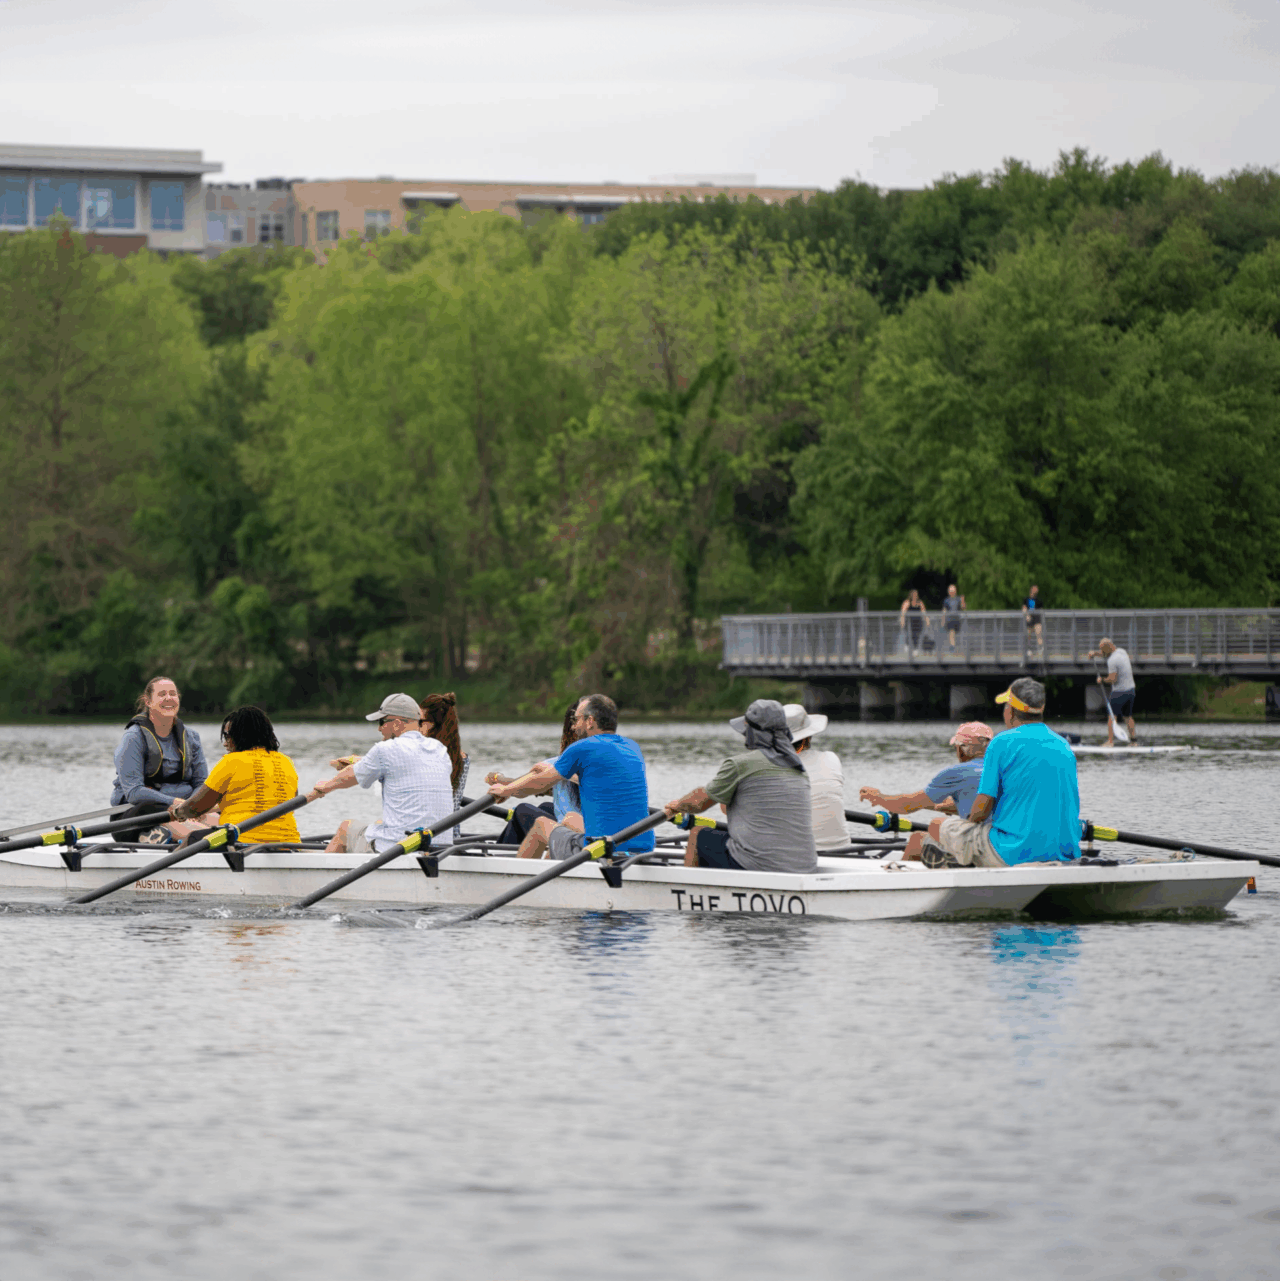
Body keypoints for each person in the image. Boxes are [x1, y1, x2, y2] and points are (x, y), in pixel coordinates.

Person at [916, 678, 1080, 869]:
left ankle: (962, 863)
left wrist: (968, 826)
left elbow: (982, 809)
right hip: (1064, 852)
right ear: (1041, 709)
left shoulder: (1001, 743)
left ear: (1010, 711)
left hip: (1012, 854)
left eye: (1005, 706)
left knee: (937, 826)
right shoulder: (1063, 745)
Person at [488, 694, 651, 860]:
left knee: (541, 826)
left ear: (590, 721)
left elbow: (538, 783)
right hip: (643, 846)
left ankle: (518, 878)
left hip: (602, 848)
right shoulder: (632, 747)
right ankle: (552, 871)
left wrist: (506, 790)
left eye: (577, 719)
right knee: (570, 819)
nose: (573, 726)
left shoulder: (582, 748)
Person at [663, 699, 816, 874]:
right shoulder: (799, 768)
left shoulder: (741, 764)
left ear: (752, 732)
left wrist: (678, 805)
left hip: (762, 865)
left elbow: (698, 803)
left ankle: (688, 890)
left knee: (698, 835)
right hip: (805, 865)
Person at [309, 692, 455, 854]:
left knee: (345, 829)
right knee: (379, 823)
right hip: (439, 848)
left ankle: (320, 875)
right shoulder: (439, 750)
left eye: (382, 721)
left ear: (397, 724)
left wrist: (326, 786)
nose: (379, 728)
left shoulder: (385, 749)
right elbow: (404, 767)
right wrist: (361, 762)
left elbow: (351, 777)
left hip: (400, 849)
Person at [858, 722, 993, 859]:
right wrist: (934, 805)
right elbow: (977, 804)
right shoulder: (1003, 769)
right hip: (1003, 838)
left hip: (982, 842)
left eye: (956, 747)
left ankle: (901, 873)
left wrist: (879, 798)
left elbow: (906, 806)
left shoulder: (956, 773)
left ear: (962, 748)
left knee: (917, 839)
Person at [168, 706, 301, 844]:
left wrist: (178, 813)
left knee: (192, 838)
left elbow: (195, 808)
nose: (225, 743)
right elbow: (288, 802)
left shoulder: (231, 762)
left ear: (242, 734)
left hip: (241, 841)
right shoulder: (287, 761)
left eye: (227, 735)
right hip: (288, 842)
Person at [110, 676, 212, 842]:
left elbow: (201, 782)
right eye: (162, 694)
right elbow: (134, 792)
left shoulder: (191, 737)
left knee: (224, 813)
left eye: (173, 694)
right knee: (208, 834)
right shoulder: (133, 738)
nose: (169, 698)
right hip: (138, 814)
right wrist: (175, 803)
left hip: (185, 809)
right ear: (148, 702)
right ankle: (162, 833)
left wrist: (194, 807)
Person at [485, 704, 583, 847]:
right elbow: (529, 783)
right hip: (584, 827)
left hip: (582, 834)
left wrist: (502, 784)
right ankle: (508, 851)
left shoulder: (557, 763)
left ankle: (499, 856)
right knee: (546, 807)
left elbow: (524, 784)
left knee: (522, 810)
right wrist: (508, 786)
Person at [783, 703, 847, 851]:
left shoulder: (768, 767)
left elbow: (727, 810)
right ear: (809, 736)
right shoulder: (831, 758)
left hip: (796, 855)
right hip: (842, 848)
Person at [419, 691, 470, 809]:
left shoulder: (426, 755)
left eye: (420, 721)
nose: (415, 725)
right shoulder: (462, 758)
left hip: (428, 826)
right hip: (452, 826)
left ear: (434, 724)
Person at [1089, 638, 1137, 746]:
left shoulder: (1112, 661)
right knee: (1127, 716)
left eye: (1102, 650)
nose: (1102, 652)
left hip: (1120, 692)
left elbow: (1113, 679)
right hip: (1131, 690)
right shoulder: (1121, 651)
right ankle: (1134, 742)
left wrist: (1102, 680)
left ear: (1107, 648)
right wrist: (1095, 654)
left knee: (1112, 717)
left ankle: (1110, 742)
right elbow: (1106, 653)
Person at [900, 588, 930, 655]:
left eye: (916, 595)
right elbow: (903, 613)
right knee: (909, 634)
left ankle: (915, 649)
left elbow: (924, 612)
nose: (914, 596)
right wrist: (902, 621)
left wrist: (927, 620)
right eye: (913, 595)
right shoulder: (907, 602)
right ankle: (907, 644)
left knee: (916, 635)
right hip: (909, 622)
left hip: (918, 622)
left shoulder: (920, 603)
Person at [942, 584, 965, 651]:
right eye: (950, 591)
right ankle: (952, 646)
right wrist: (943, 619)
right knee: (951, 631)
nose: (951, 592)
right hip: (950, 619)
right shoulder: (946, 600)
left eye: (953, 591)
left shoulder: (958, 599)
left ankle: (957, 647)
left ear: (955, 591)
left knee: (956, 633)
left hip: (958, 619)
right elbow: (944, 610)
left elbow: (963, 607)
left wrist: (963, 601)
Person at [1023, 585, 1044, 653]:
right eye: (1034, 589)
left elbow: (1041, 610)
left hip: (1037, 618)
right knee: (1028, 634)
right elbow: (1024, 608)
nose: (1036, 590)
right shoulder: (1026, 599)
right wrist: (1027, 615)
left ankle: (1041, 649)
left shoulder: (1039, 600)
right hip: (1029, 618)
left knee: (1038, 633)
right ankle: (1029, 649)